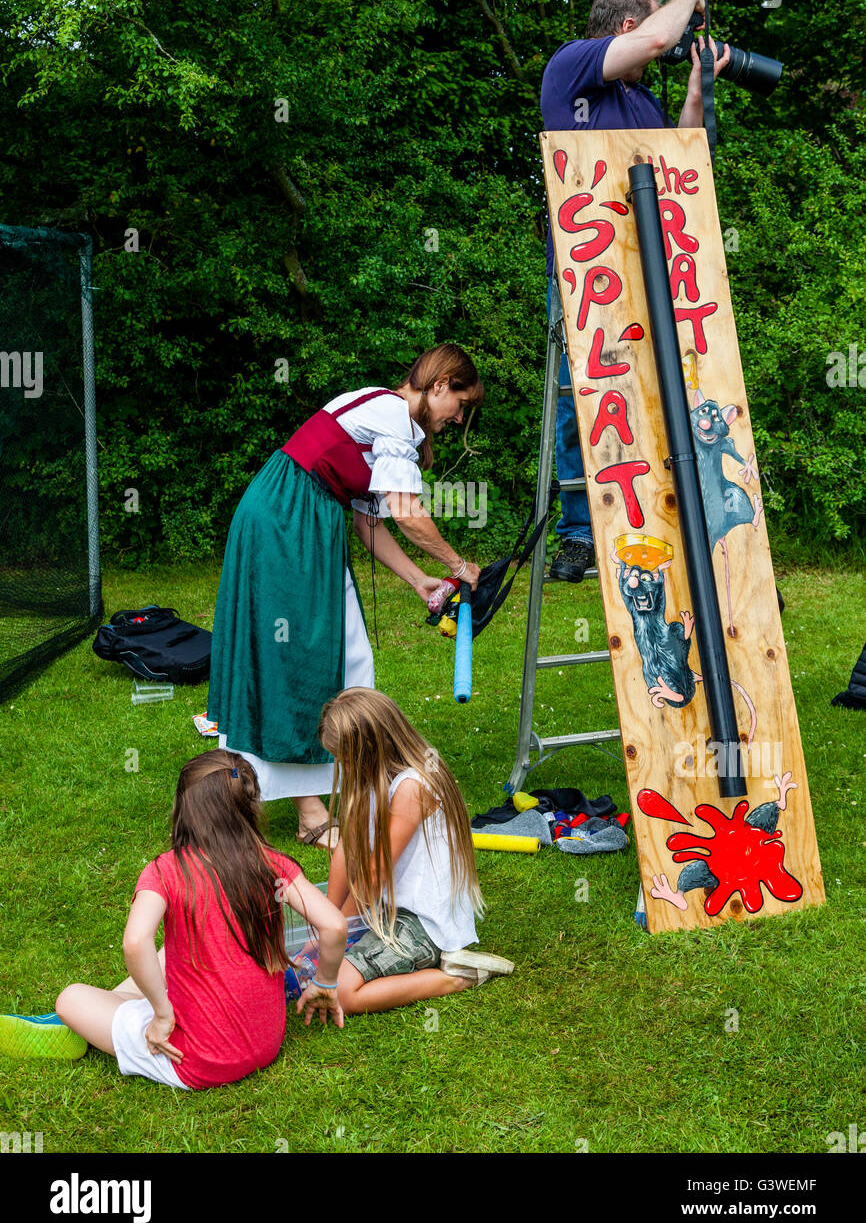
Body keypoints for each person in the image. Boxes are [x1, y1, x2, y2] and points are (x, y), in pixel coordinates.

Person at [206, 345, 485, 849]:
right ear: (440, 384)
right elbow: (405, 511)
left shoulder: (387, 416)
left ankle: (348, 785)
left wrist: (417, 579)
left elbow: (369, 521)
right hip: (285, 520)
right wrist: (457, 566)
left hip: (305, 520)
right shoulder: (392, 414)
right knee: (297, 661)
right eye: (460, 404)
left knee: (352, 657)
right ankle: (310, 814)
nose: (457, 417)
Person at [0, 751, 346, 1083]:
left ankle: (72, 1024)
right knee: (171, 952)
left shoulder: (166, 871)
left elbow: (136, 943)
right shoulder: (272, 863)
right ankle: (106, 1009)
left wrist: (163, 1016)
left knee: (70, 999)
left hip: (197, 1060)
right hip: (265, 1045)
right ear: (250, 806)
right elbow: (333, 924)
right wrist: (326, 983)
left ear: (184, 809)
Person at [540, 0, 730, 582]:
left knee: (661, 389)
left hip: (650, 267)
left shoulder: (642, 102)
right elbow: (655, 35)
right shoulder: (572, 66)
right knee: (586, 397)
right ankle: (577, 534)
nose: (669, 47)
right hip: (587, 266)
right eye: (658, 30)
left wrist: (696, 90)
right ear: (626, 29)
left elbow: (683, 156)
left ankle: (669, 516)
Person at [308, 687, 513, 1018]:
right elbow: (347, 850)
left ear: (366, 751)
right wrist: (326, 922)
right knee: (327, 966)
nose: (339, 764)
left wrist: (337, 932)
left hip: (422, 924)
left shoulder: (413, 787)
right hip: (387, 908)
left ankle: (455, 977)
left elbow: (374, 876)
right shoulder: (369, 777)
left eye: (342, 757)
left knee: (341, 993)